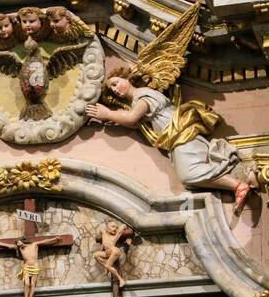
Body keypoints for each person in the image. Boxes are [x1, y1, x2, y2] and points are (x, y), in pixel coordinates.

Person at [88, 72, 257, 211]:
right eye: (112, 89)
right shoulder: (136, 102)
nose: (115, 89)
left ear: (128, 78)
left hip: (180, 134)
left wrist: (108, 114)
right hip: (177, 139)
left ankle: (238, 184)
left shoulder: (144, 95)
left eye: (116, 83)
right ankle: (242, 176)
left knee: (189, 175)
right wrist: (115, 119)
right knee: (195, 171)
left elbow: (132, 118)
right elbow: (136, 123)